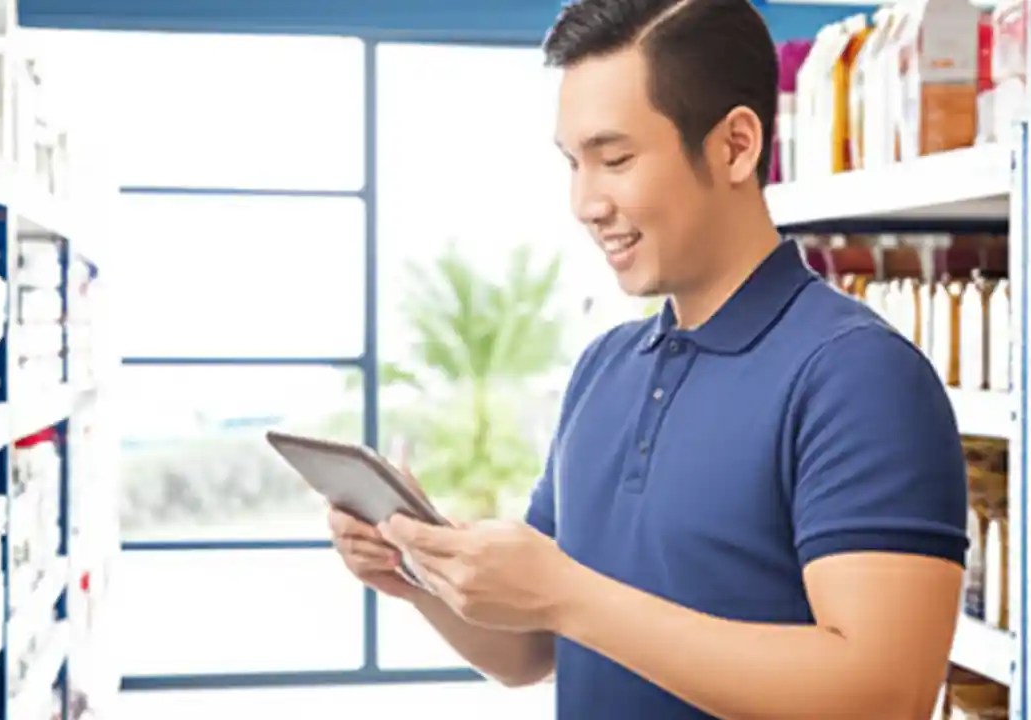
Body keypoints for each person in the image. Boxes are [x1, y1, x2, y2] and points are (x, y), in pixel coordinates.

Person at [326, 0, 969, 717]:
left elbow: (882, 697)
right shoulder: (605, 370)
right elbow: (531, 649)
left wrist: (571, 596)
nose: (585, 202)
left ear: (735, 146)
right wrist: (417, 572)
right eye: (574, 164)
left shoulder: (858, 377)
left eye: (616, 159)